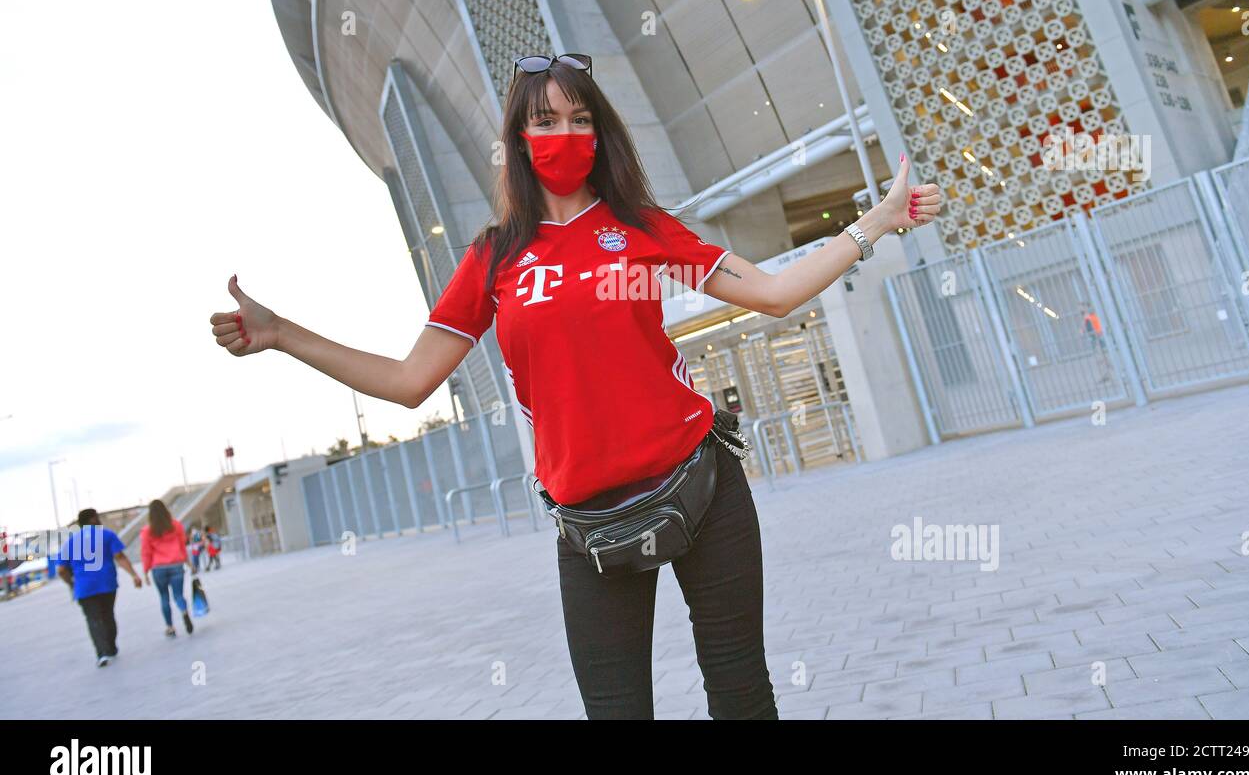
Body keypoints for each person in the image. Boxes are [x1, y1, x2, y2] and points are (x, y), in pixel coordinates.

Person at [208, 52, 941, 718]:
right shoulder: (496, 258)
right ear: (520, 139)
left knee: (741, 691)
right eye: (546, 120)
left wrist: (875, 222)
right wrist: (282, 336)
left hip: (702, 486)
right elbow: (407, 382)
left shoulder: (642, 228)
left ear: (601, 132)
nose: (566, 133)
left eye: (580, 118)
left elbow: (775, 292)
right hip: (590, 526)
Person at [52, 508, 142, 666]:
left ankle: (102, 653)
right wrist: (134, 575)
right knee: (108, 615)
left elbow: (60, 569)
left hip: (84, 588)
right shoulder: (107, 535)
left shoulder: (70, 542)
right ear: (93, 519)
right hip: (107, 584)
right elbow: (120, 557)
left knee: (93, 620)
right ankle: (111, 647)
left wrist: (71, 583)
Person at [139, 500, 193, 637]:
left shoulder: (147, 530)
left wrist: (145, 571)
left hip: (158, 568)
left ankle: (170, 627)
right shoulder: (175, 525)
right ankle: (184, 611)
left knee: (164, 597)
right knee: (179, 595)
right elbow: (182, 546)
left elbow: (146, 552)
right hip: (176, 565)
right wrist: (188, 563)